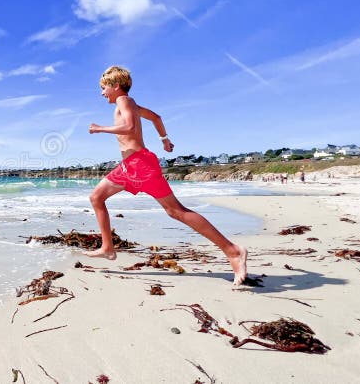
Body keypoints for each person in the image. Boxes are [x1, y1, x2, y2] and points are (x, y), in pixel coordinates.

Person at [84, 66, 248, 286]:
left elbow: (130, 126)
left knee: (176, 211)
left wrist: (100, 128)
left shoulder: (124, 100)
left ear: (115, 86)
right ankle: (107, 247)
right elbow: (156, 117)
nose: (102, 93)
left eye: (103, 88)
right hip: (134, 165)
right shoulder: (130, 103)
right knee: (99, 198)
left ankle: (233, 251)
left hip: (138, 164)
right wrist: (165, 139)